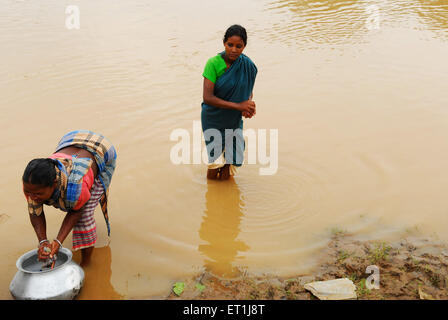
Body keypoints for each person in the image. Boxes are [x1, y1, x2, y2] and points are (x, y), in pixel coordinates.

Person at [22, 130, 117, 267]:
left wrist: (58, 241)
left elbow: (77, 211)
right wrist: (43, 242)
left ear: (54, 184)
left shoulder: (75, 186)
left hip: (102, 148)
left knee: (85, 216)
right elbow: (35, 212)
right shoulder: (32, 184)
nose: (32, 197)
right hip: (72, 140)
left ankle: (86, 263)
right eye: (28, 192)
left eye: (37, 194)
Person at [201, 24, 258, 180]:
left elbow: (248, 92)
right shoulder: (213, 63)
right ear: (224, 43)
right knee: (215, 160)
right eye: (230, 45)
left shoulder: (247, 66)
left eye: (239, 46)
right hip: (214, 118)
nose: (234, 49)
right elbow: (208, 97)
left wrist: (248, 106)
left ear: (244, 46)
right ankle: (212, 191)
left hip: (233, 118)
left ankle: (224, 199)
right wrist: (239, 106)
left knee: (231, 158)